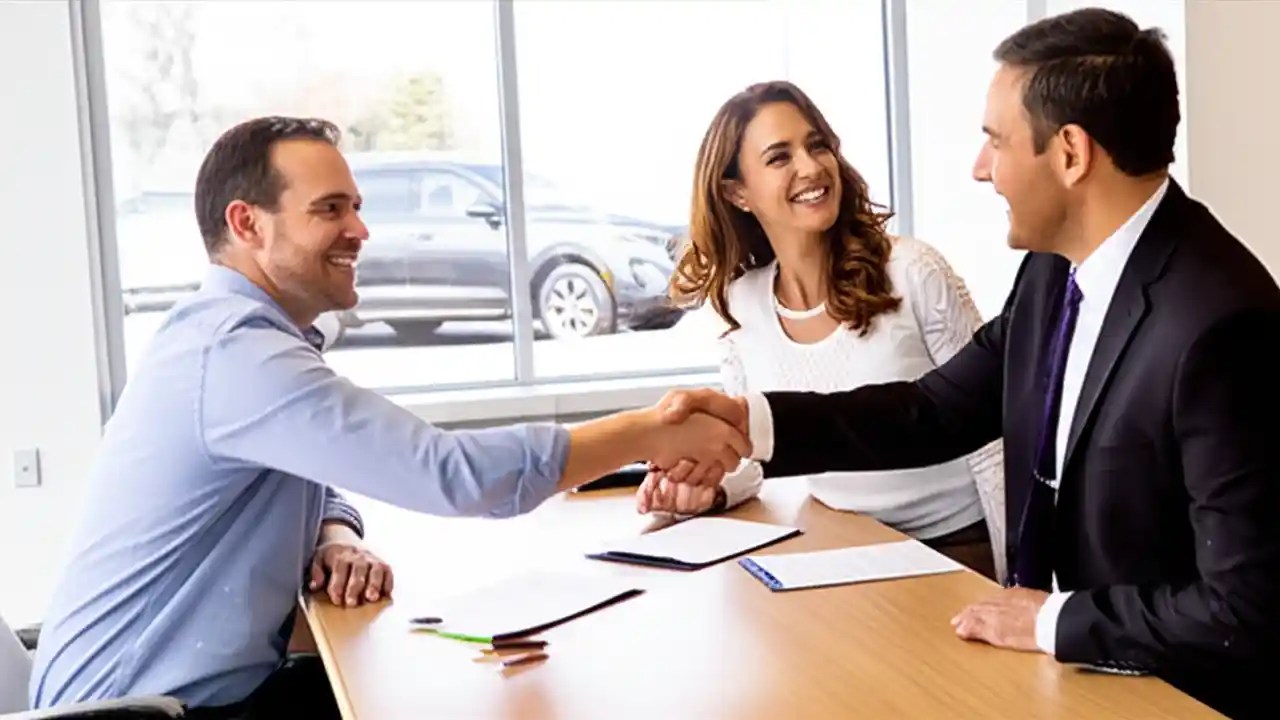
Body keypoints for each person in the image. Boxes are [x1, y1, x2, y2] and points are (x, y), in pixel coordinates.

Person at [651, 9, 1280, 718]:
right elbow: (934, 411)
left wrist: (1048, 620)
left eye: (995, 141)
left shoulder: (1222, 322)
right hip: (1063, 675)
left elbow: (1246, 612)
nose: (981, 169)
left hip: (1172, 697)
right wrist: (750, 422)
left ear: (1070, 154)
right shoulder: (1054, 271)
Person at [29, 116, 748, 718]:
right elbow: (452, 476)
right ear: (247, 224)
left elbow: (321, 481)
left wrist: (335, 534)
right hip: (134, 717)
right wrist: (651, 427)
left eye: (356, 206)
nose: (361, 230)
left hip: (192, 696)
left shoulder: (235, 341)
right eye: (330, 209)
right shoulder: (234, 355)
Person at [636, 81, 1006, 581]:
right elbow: (756, 449)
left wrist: (1018, 580)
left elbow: (994, 440)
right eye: (779, 157)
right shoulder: (743, 304)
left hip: (956, 547)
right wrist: (713, 489)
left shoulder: (913, 270)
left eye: (817, 145)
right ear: (736, 192)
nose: (811, 168)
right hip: (843, 546)